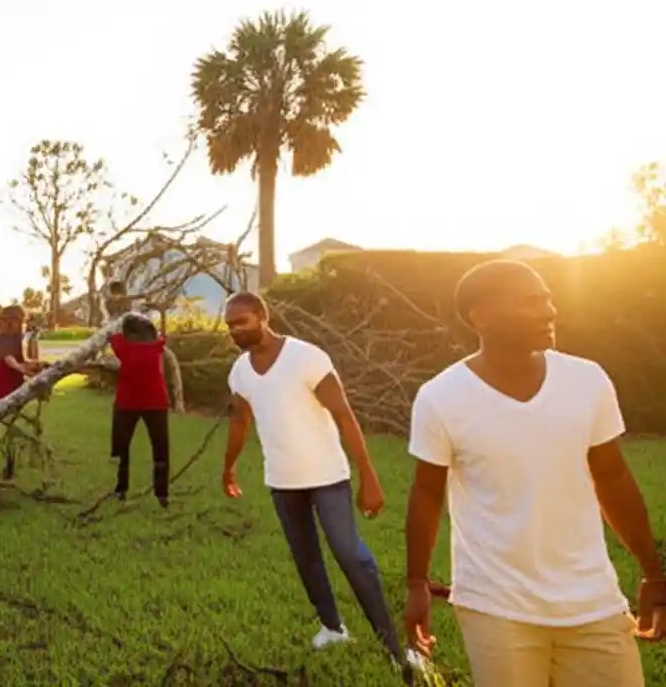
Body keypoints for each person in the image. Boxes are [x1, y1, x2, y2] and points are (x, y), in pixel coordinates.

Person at [404, 260, 664, 686]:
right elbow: (427, 495)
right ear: (481, 316)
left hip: (592, 600)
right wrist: (416, 583)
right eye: (532, 302)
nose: (550, 311)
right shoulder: (441, 398)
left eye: (548, 298)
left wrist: (653, 573)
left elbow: (613, 479)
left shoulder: (586, 381)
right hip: (497, 605)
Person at [220, 291, 404, 662]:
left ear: (262, 316)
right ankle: (333, 628)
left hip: (327, 478)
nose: (235, 331)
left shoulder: (306, 358)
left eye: (242, 322)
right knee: (306, 557)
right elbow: (240, 422)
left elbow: (345, 416)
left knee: (351, 555)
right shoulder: (240, 371)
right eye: (229, 326)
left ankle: (394, 648)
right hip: (282, 481)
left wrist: (369, 476)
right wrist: (229, 467)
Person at [108, 312, 171, 507]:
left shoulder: (123, 346)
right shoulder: (158, 345)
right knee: (160, 450)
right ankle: (162, 495)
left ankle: (121, 489)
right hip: (156, 403)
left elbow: (112, 334)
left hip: (127, 403)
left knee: (121, 447)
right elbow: (159, 335)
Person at [0, 305, 46, 401]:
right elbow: (9, 359)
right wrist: (22, 369)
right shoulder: (4, 337)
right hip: (2, 381)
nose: (24, 323)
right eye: (22, 320)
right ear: (13, 321)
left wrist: (38, 365)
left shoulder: (19, 337)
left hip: (14, 380)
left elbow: (23, 360)